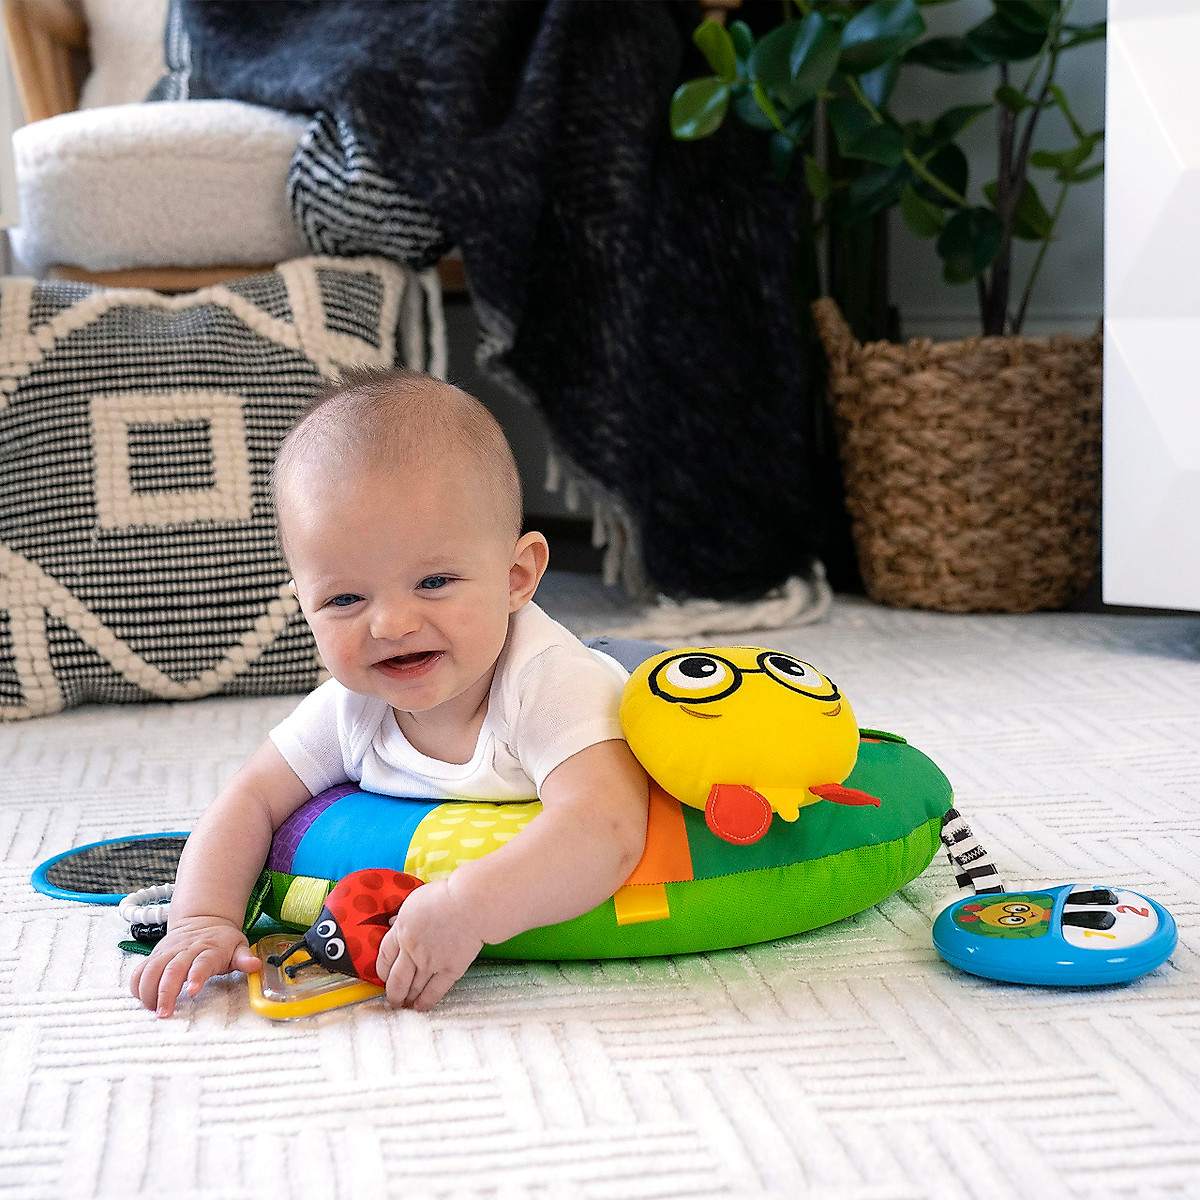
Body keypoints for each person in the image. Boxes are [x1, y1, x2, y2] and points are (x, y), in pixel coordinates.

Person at [131, 367, 650, 1017]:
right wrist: (202, 917)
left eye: (433, 582)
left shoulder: (549, 682)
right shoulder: (349, 707)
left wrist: (468, 907)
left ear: (517, 577)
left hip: (628, 676)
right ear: (305, 606)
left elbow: (606, 826)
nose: (392, 624)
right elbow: (249, 799)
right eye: (345, 598)